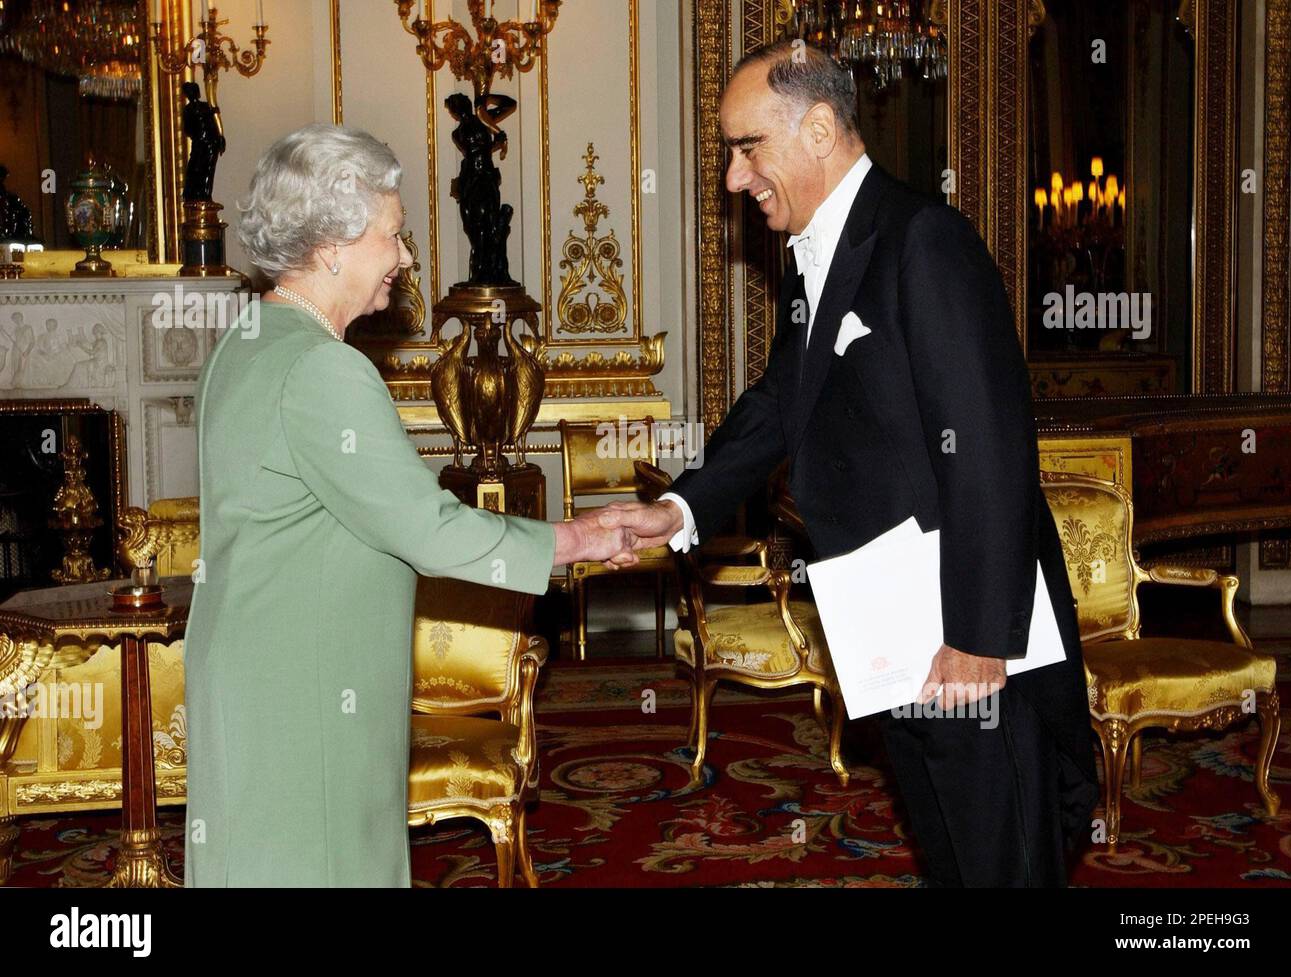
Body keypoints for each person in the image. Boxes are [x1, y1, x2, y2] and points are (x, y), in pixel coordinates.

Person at [600, 41, 1099, 887]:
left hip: (968, 637)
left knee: (1005, 860)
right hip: (891, 631)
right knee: (950, 856)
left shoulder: (923, 240)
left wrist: (978, 643)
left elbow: (987, 444)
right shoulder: (815, 257)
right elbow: (777, 404)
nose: (733, 176)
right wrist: (679, 509)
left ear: (822, 128)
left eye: (746, 147)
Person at [184, 123, 639, 887]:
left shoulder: (249, 337)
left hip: (258, 669)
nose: (404, 257)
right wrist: (579, 537)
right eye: (391, 235)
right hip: (309, 687)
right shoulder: (323, 369)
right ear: (333, 242)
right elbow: (428, 530)